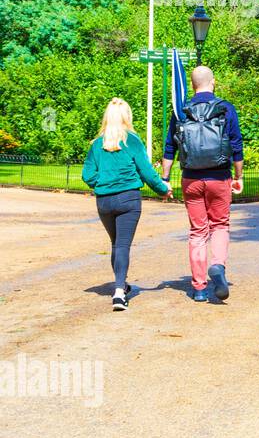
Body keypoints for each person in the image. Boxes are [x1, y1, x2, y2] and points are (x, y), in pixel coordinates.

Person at [161, 66, 244, 303]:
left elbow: (170, 147)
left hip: (191, 178)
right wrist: (238, 177)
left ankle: (198, 288)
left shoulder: (181, 110)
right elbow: (236, 146)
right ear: (213, 82)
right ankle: (217, 266)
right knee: (219, 225)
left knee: (198, 231)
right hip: (219, 177)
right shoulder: (226, 108)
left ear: (192, 83)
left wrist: (165, 179)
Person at [81, 98, 172, 311]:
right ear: (126, 116)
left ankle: (121, 285)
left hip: (104, 201)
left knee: (116, 244)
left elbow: (87, 174)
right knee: (122, 245)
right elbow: (147, 172)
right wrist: (163, 189)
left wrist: (102, 183)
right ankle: (120, 292)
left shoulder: (97, 144)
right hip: (128, 199)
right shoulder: (131, 140)